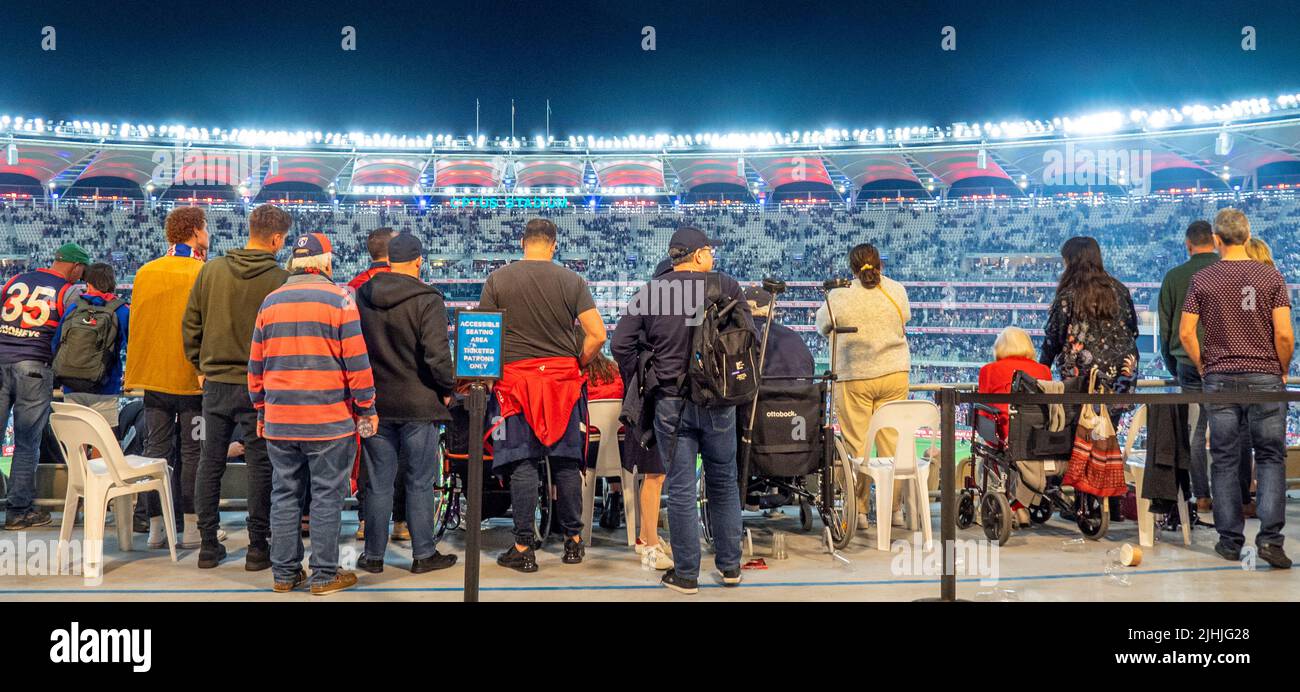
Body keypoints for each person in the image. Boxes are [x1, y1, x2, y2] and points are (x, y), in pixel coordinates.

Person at [611, 225, 752, 594]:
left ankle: (687, 573)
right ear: (699, 255)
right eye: (710, 250)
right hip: (718, 401)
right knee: (723, 483)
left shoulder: (651, 292)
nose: (714, 257)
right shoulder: (726, 287)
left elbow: (620, 344)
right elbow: (745, 340)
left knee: (681, 488)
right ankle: (731, 566)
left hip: (670, 399)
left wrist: (644, 373)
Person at [250, 232, 378, 594]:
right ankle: (324, 574)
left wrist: (261, 410)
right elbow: (357, 361)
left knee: (285, 494)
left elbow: (255, 367)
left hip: (280, 420)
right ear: (325, 264)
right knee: (326, 496)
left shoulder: (270, 302)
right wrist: (366, 407)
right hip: (328, 421)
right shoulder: (339, 300)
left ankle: (284, 574)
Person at [478, 217, 605, 573]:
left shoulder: (498, 279)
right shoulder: (572, 280)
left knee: (522, 463)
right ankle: (573, 542)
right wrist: (576, 363)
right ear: (553, 244)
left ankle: (523, 546)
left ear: (523, 242)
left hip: (515, 385)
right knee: (566, 463)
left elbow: (485, 334)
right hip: (562, 384)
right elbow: (597, 334)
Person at [1179, 208, 1292, 569]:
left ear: (1217, 240)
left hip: (1220, 377)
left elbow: (1185, 333)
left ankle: (1229, 541)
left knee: (1225, 459)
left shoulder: (1204, 279)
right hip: (1265, 379)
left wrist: (1203, 365)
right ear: (1247, 235)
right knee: (1271, 458)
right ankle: (1271, 541)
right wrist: (1282, 368)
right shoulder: (1272, 277)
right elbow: (1285, 333)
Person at [184, 204, 291, 569]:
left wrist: (200, 367)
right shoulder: (280, 279)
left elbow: (190, 323)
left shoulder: (211, 270)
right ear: (276, 238)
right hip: (260, 386)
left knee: (209, 464)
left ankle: (208, 546)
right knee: (262, 465)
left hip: (215, 384)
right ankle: (257, 547)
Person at [354, 232, 457, 574]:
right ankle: (423, 553)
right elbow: (437, 356)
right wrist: (447, 388)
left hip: (374, 404)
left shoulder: (362, 296)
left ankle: (373, 556)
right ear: (417, 261)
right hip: (418, 404)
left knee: (378, 483)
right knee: (418, 481)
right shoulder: (427, 299)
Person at [814, 242, 910, 528]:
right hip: (894, 373)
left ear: (852, 268)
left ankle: (860, 511)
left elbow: (822, 325)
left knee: (858, 447)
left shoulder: (841, 295)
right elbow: (904, 318)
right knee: (892, 446)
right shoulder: (896, 290)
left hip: (855, 374)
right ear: (879, 263)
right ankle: (893, 511)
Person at [0, 242, 89, 530]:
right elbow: (69, 334)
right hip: (35, 366)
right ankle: (19, 511)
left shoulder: (17, 280)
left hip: (1, 359)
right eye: (81, 270)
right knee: (27, 443)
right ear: (75, 266)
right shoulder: (67, 289)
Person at [1157, 221, 1221, 514]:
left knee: (1195, 432)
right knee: (1229, 428)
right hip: (1225, 364)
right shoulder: (1229, 272)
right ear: (1215, 241)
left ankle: (1202, 497)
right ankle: (1234, 496)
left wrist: (1173, 363)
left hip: (1187, 363)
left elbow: (1167, 327)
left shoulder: (1175, 277)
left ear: (1188, 244)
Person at [348, 227, 401, 542]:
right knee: (406, 458)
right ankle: (403, 521)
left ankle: (366, 521)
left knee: (367, 456)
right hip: (405, 393)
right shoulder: (412, 285)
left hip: (366, 395)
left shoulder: (354, 288)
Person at [978, 326, 1052, 440]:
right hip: (1039, 435)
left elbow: (983, 411)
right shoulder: (1044, 370)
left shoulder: (988, 370)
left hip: (1003, 436)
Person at [746, 285, 814, 378]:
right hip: (795, 391)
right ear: (771, 306)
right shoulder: (794, 338)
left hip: (756, 391)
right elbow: (809, 370)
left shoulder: (735, 338)